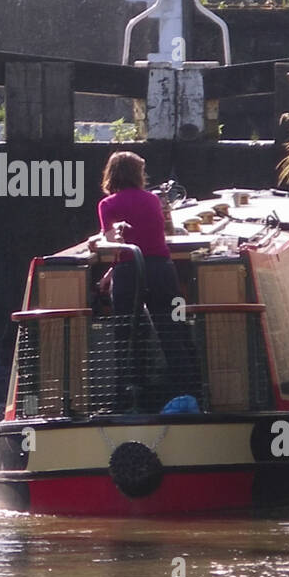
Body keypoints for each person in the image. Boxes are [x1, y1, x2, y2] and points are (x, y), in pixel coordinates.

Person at [90, 152, 196, 409]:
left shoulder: (108, 205)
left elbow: (113, 241)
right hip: (161, 269)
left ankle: (130, 397)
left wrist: (98, 246)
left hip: (130, 273)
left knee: (127, 334)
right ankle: (186, 392)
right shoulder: (152, 200)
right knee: (170, 330)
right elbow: (149, 241)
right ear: (136, 174)